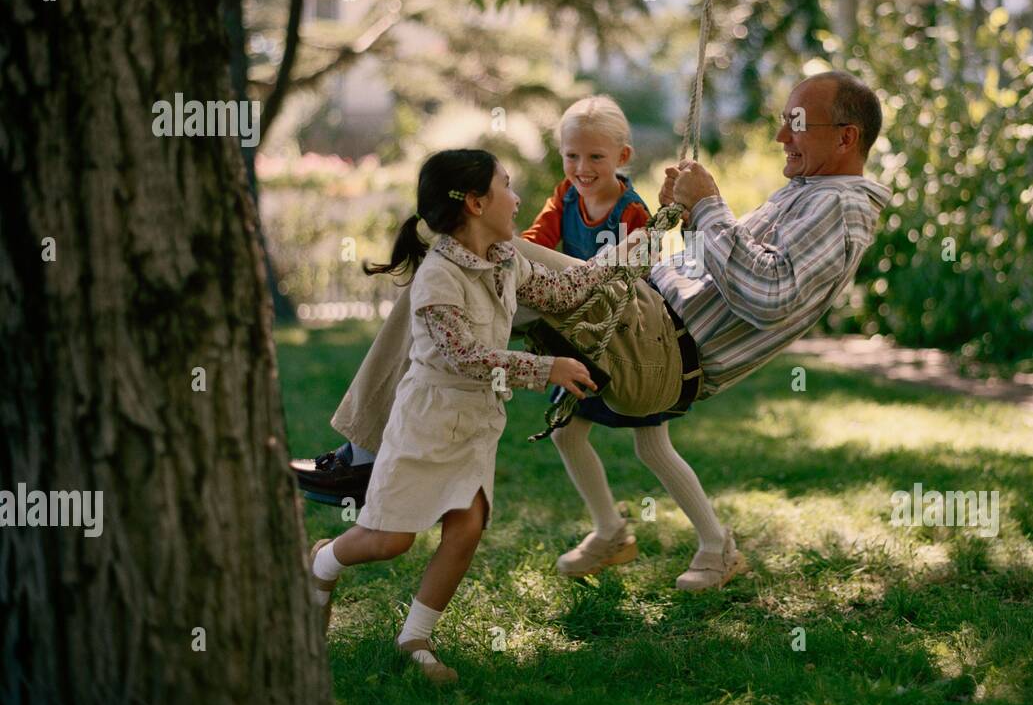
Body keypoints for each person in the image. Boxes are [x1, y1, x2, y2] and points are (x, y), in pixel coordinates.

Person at [296, 71, 892, 591]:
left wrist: (709, 206)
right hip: (644, 318)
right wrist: (682, 217)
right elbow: (732, 266)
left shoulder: (841, 208)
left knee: (471, 254)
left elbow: (770, 295)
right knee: (467, 266)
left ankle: (371, 458)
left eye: (796, 124)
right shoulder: (811, 193)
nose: (780, 137)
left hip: (657, 344)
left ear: (846, 137)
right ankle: (383, 460)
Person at [307, 148, 647, 683]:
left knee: (467, 528)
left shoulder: (507, 258)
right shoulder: (439, 276)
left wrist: (634, 247)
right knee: (390, 540)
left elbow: (565, 289)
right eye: (507, 186)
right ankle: (321, 564)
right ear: (474, 202)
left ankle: (414, 638)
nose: (517, 198)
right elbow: (462, 356)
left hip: (476, 423)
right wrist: (546, 368)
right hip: (427, 422)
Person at [520, 96, 739, 588]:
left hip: (633, 338)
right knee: (566, 432)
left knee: (653, 447)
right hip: (583, 333)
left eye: (595, 157)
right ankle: (611, 531)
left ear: (622, 157)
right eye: (571, 155)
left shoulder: (633, 210)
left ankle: (715, 541)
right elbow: (536, 240)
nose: (581, 168)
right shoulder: (566, 197)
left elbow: (641, 270)